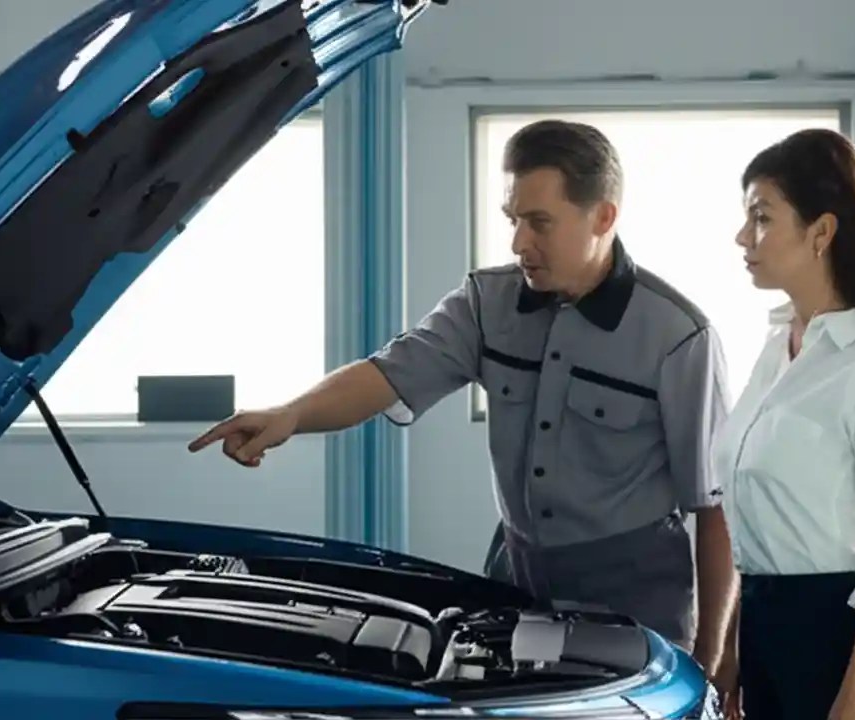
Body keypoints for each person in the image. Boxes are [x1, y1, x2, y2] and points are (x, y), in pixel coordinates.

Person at [187, 119, 737, 672]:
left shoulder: (678, 338)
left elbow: (714, 511)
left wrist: (713, 658)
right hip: (515, 582)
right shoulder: (485, 303)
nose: (519, 243)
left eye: (540, 222)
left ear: (603, 217)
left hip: (635, 601)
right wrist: (291, 414)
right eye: (513, 220)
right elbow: (386, 375)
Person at [708, 127, 855, 720]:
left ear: (822, 232)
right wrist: (733, 643)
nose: (743, 236)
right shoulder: (776, 346)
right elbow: (755, 518)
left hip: (837, 642)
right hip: (761, 634)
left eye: (762, 217)